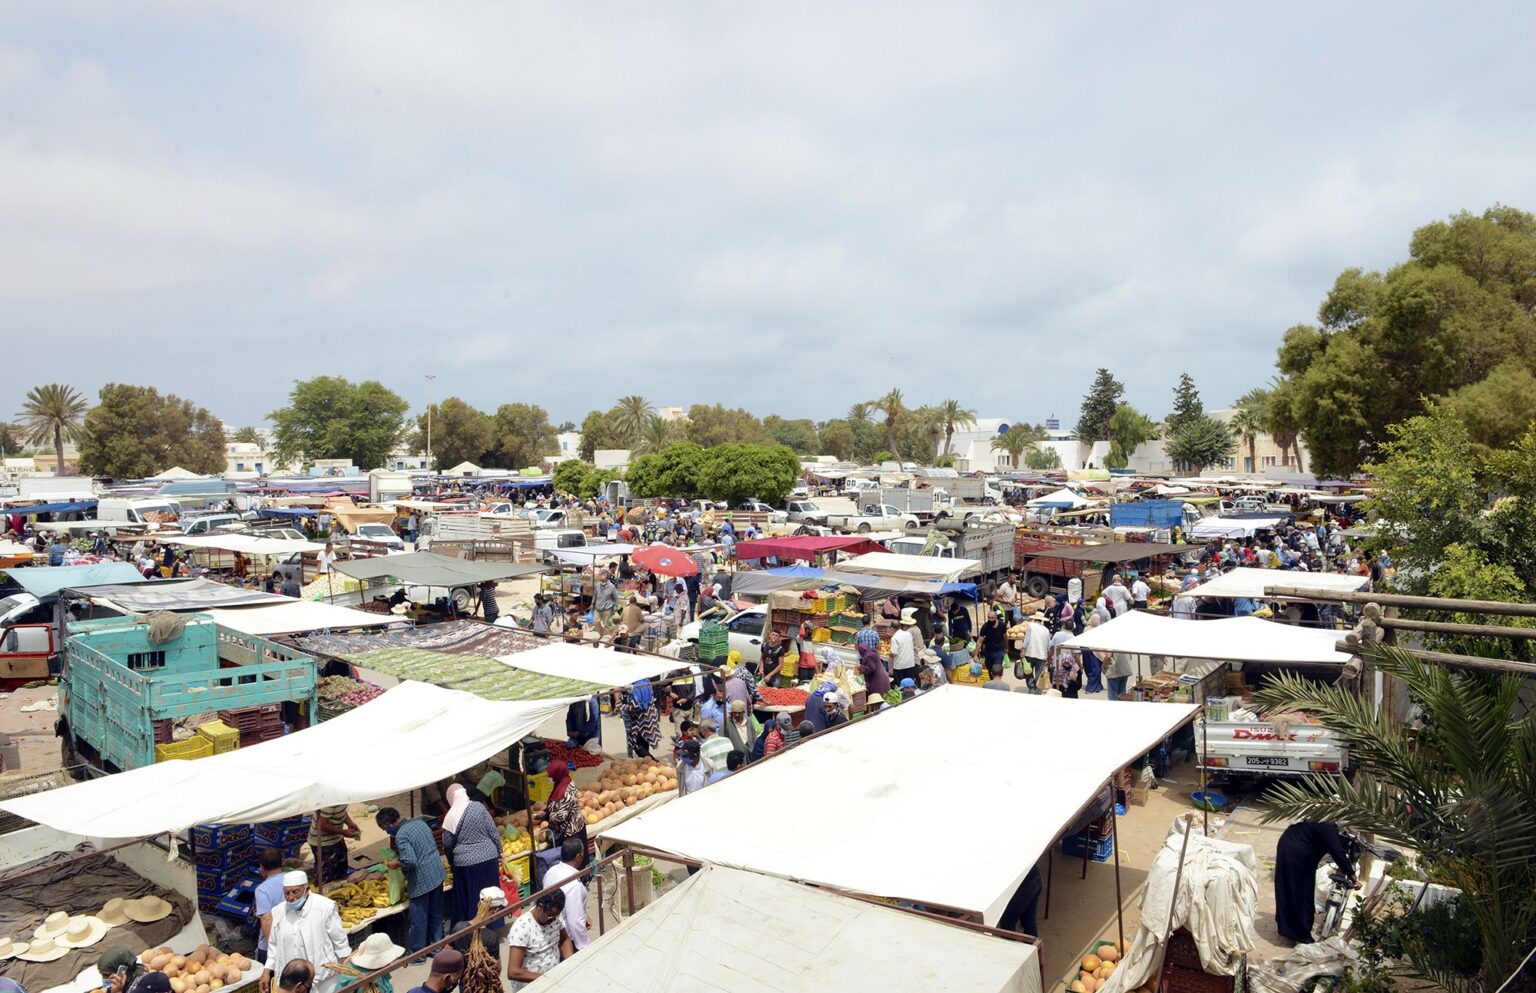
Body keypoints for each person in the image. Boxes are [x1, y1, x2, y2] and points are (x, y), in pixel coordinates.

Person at [262, 871, 350, 993]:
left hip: (324, 982)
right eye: (287, 893)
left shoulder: (325, 907)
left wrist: (346, 970)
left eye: (295, 892)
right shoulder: (278, 912)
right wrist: (267, 970)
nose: (291, 897)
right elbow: (273, 945)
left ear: (306, 889)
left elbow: (340, 942)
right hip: (293, 986)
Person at [375, 807, 446, 955]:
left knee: (419, 919)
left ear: (388, 824)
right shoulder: (420, 823)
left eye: (384, 829)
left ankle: (418, 954)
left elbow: (410, 861)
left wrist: (397, 863)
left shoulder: (401, 836)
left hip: (422, 881)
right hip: (437, 873)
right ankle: (436, 947)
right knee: (436, 913)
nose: (387, 832)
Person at [1274, 822, 1356, 943]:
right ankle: (1300, 934)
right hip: (1296, 853)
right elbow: (1337, 852)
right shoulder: (1327, 825)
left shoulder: (1321, 819)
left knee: (1290, 887)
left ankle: (1289, 928)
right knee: (1300, 892)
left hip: (1290, 845)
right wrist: (1352, 875)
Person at [441, 784, 502, 933]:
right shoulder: (479, 807)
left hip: (465, 865)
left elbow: (447, 844)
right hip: (489, 859)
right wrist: (499, 851)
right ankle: (491, 927)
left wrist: (451, 860)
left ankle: (470, 930)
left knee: (470, 898)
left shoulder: (451, 816)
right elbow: (492, 830)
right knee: (490, 896)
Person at [505, 891, 573, 990]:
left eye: (556, 917)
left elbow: (565, 939)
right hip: (532, 987)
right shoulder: (522, 928)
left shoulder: (554, 918)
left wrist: (570, 962)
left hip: (554, 982)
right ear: (540, 907)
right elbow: (513, 971)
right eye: (550, 916)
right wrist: (545, 978)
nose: (552, 921)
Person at [540, 838, 591, 952]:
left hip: (551, 931)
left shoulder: (551, 871)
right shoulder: (574, 885)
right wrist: (585, 946)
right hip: (566, 938)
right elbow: (575, 922)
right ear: (578, 857)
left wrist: (584, 915)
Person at [543, 760, 588, 867]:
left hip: (571, 832)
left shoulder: (565, 791)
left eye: (552, 775)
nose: (551, 778)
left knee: (572, 862)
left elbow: (561, 816)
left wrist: (546, 816)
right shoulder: (565, 781)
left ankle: (578, 879)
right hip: (570, 829)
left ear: (558, 774)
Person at [308, 804, 359, 886]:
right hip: (323, 843)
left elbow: (341, 811)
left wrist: (350, 823)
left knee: (341, 870)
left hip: (336, 838)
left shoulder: (342, 797)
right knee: (326, 876)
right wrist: (343, 832)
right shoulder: (328, 803)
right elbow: (321, 825)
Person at [253, 848, 288, 961]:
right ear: (282, 862)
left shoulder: (262, 890)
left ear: (262, 867)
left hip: (271, 946)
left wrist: (273, 950)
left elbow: (267, 919)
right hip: (294, 940)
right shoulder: (293, 881)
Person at [997, 865, 1044, 936]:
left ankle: (1009, 946)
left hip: (1023, 883)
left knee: (1007, 921)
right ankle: (1031, 944)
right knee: (1028, 919)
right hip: (1034, 876)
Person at [621, 679, 661, 759]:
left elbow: (635, 706)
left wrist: (623, 707)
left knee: (638, 745)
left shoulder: (636, 687)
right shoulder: (647, 683)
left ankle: (653, 762)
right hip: (649, 717)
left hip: (640, 721)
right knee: (645, 742)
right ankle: (647, 761)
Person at [1049, 629, 1082, 698]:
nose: (1067, 664)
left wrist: (1048, 660)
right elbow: (1079, 686)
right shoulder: (1075, 670)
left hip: (1061, 698)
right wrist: (1080, 667)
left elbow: (1051, 649)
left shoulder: (1056, 671)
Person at [977, 607, 1007, 680]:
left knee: (996, 670)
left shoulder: (1002, 625)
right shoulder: (985, 627)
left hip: (999, 651)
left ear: (996, 617)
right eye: (989, 617)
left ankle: (997, 684)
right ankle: (993, 683)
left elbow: (1005, 637)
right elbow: (979, 641)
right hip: (989, 652)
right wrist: (975, 654)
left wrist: (1006, 647)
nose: (990, 619)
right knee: (990, 671)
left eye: (992, 618)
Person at [889, 617, 918, 687]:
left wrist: (890, 654)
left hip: (900, 666)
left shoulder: (894, 638)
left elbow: (894, 653)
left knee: (901, 686)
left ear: (892, 628)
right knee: (910, 684)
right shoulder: (908, 634)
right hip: (910, 663)